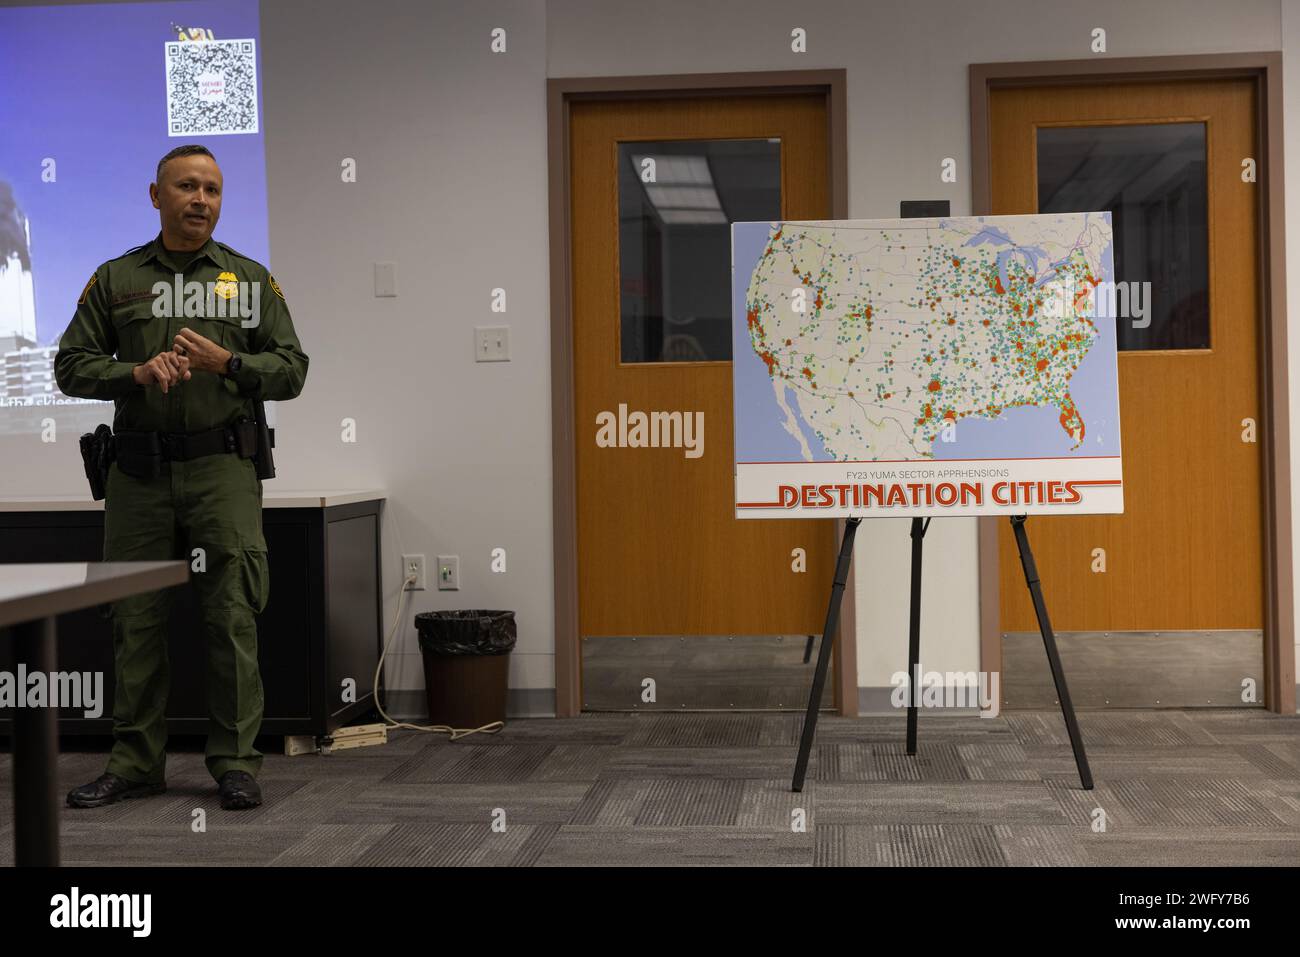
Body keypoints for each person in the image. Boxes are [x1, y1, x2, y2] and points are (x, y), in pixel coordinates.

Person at [54, 144, 308, 810]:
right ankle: (136, 761)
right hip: (138, 472)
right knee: (133, 619)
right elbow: (70, 365)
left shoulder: (249, 281)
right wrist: (132, 374)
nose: (202, 200)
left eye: (214, 190)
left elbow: (292, 369)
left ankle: (233, 763)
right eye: (188, 187)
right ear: (156, 195)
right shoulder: (116, 279)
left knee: (232, 617)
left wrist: (229, 363)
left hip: (223, 467)